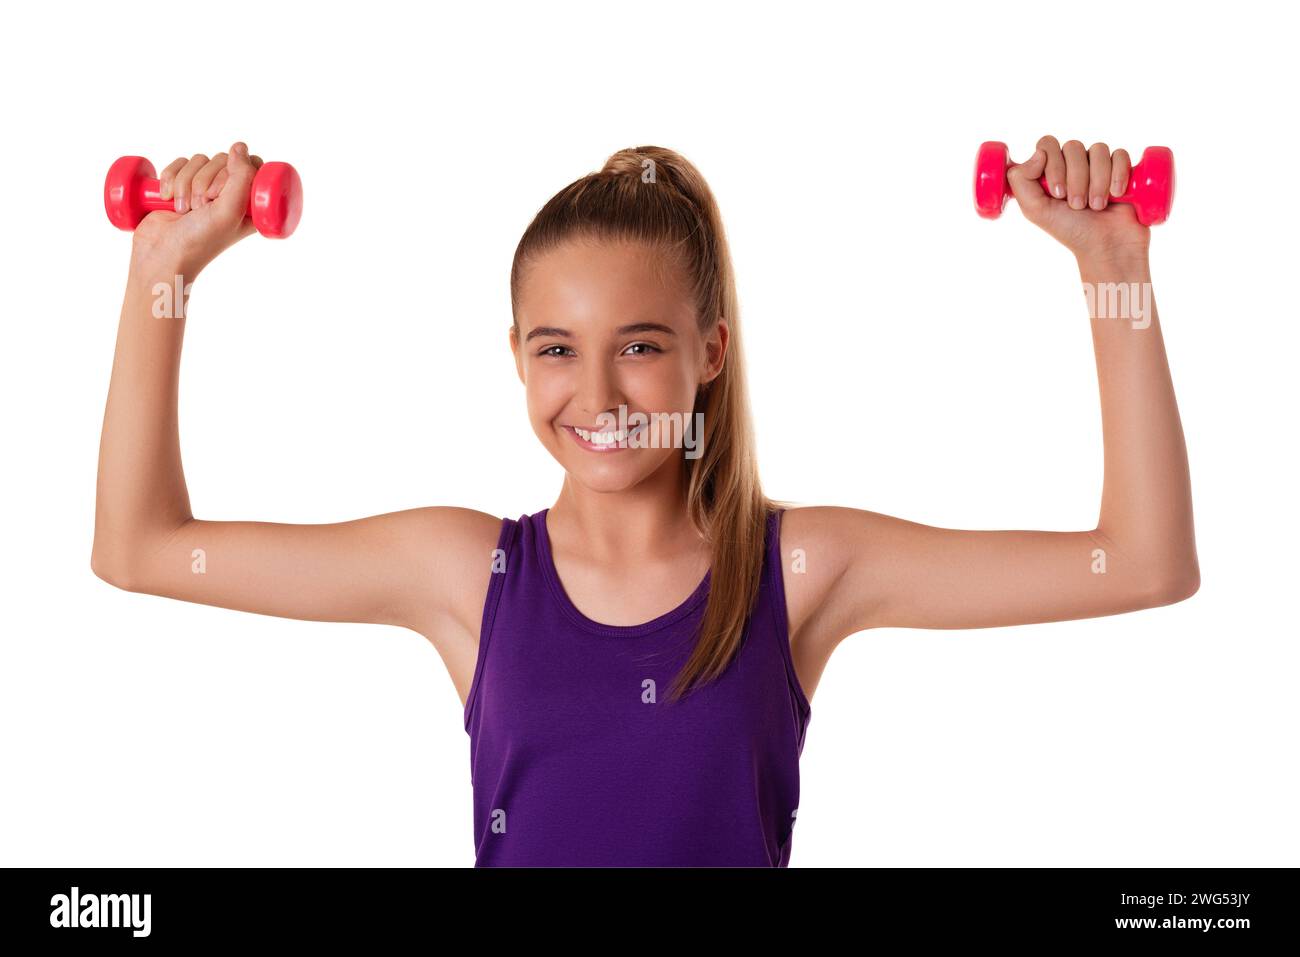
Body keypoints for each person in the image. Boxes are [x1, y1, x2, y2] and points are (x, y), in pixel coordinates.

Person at [93, 137, 1199, 867]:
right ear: (517, 359)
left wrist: (1113, 268)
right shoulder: (466, 577)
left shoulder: (798, 571)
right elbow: (142, 547)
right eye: (556, 350)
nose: (599, 394)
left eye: (641, 346)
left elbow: (1141, 560)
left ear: (708, 353)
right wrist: (163, 268)